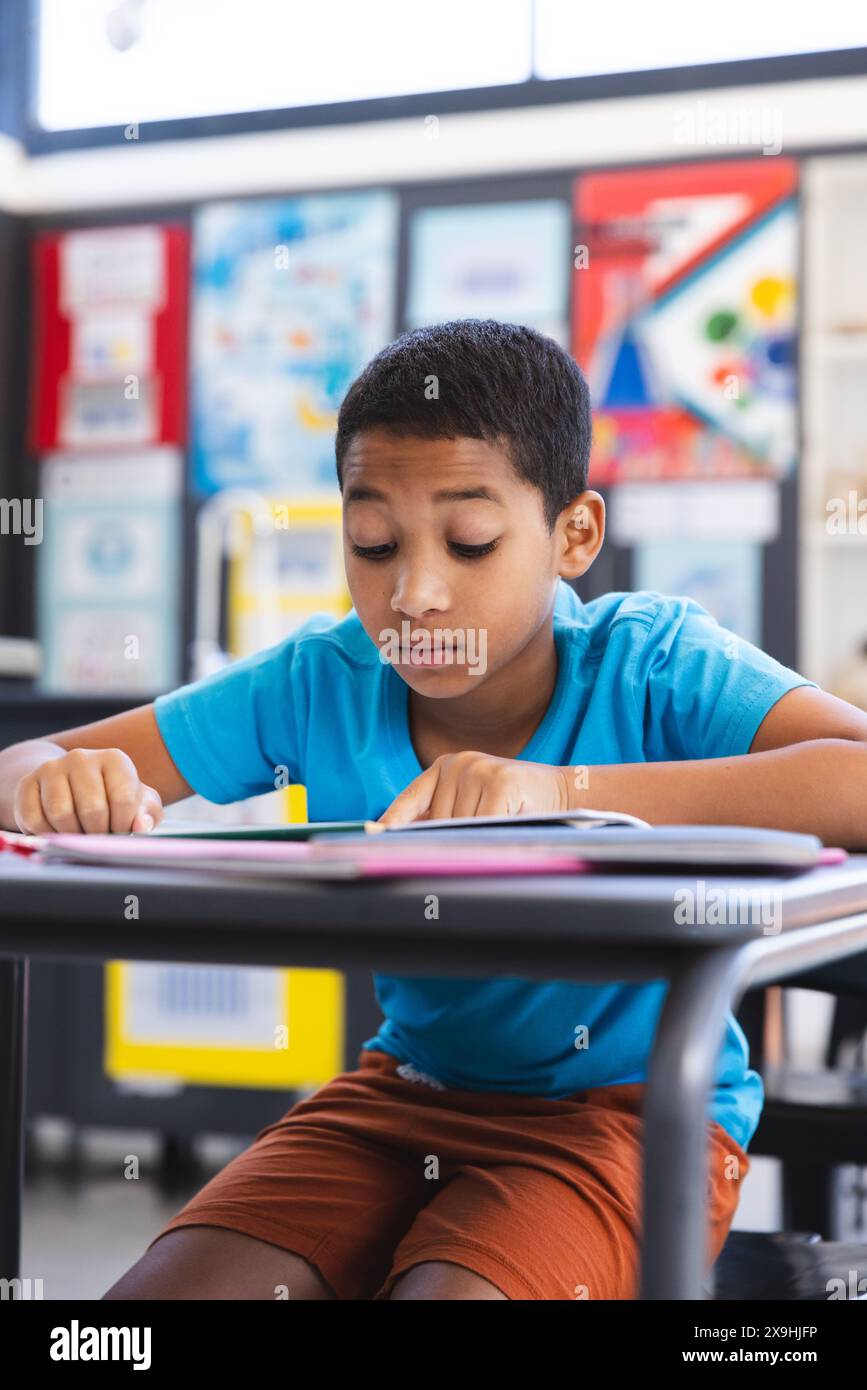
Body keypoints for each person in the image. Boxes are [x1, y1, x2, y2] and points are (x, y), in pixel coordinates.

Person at [3, 319, 866, 1300]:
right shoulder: (321, 680)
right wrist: (50, 776)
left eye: (469, 542)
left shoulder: (655, 664)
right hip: (405, 1096)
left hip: (630, 1114)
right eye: (373, 544)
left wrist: (561, 793)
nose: (412, 593)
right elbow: (28, 763)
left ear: (574, 534)